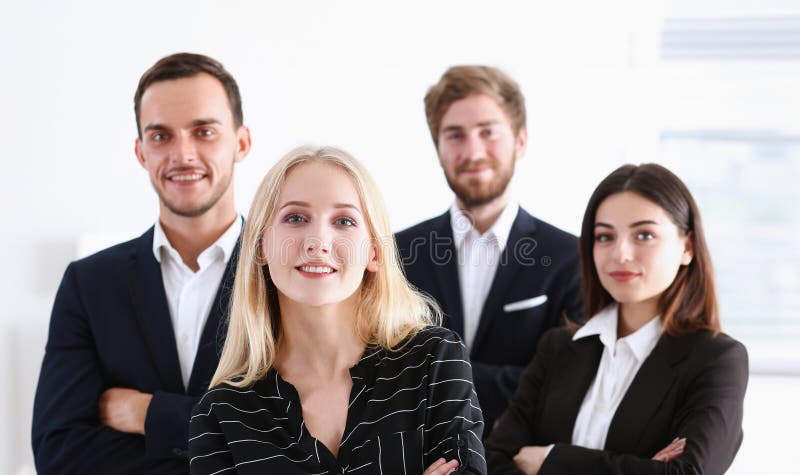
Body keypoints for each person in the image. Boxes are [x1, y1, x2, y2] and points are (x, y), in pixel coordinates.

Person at [188, 146, 486, 474]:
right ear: (261, 247)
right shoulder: (220, 415)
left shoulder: (435, 362)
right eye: (295, 218)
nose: (318, 241)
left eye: (344, 221)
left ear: (374, 252)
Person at [31, 53, 252, 474]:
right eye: (161, 136)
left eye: (204, 132)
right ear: (140, 152)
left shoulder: (287, 275)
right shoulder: (89, 284)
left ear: (241, 143)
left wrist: (147, 414)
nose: (182, 154)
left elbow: (298, 442)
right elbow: (58, 455)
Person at [485, 163, 749, 474]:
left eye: (644, 235)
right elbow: (493, 460)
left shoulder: (717, 360)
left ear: (687, 247)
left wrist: (550, 459)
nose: (620, 253)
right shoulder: (558, 347)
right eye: (605, 237)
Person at [395, 66, 581, 435]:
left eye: (488, 132)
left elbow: (568, 383)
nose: (473, 151)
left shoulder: (570, 257)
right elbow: (376, 369)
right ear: (438, 148)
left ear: (521, 140)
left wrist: (437, 376)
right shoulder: (395, 254)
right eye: (455, 135)